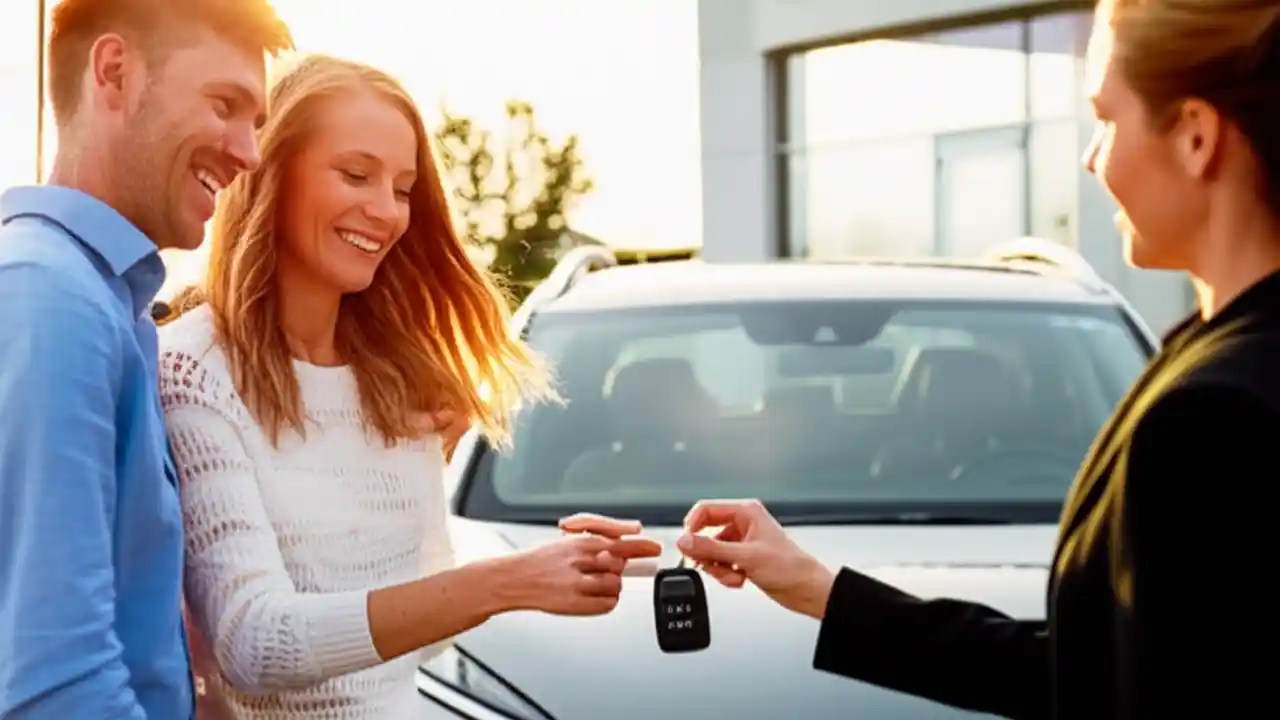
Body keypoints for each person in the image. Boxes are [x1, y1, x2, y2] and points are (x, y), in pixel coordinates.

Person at [675, 1, 1272, 718]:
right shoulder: (1226, 364)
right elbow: (1087, 674)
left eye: (1107, 119)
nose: (1091, 157)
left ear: (1197, 137)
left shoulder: (1212, 415)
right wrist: (819, 589)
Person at [154, 53, 661, 719]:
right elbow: (256, 647)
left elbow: (425, 634)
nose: (386, 212)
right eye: (357, 175)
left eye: (402, 188)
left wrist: (564, 562)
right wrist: (508, 580)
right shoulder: (193, 370)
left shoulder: (395, 378)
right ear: (272, 172)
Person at [0, 1, 292, 718]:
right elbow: (57, 688)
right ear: (114, 73)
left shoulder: (101, 302)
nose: (248, 153)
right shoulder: (51, 300)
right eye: (226, 104)